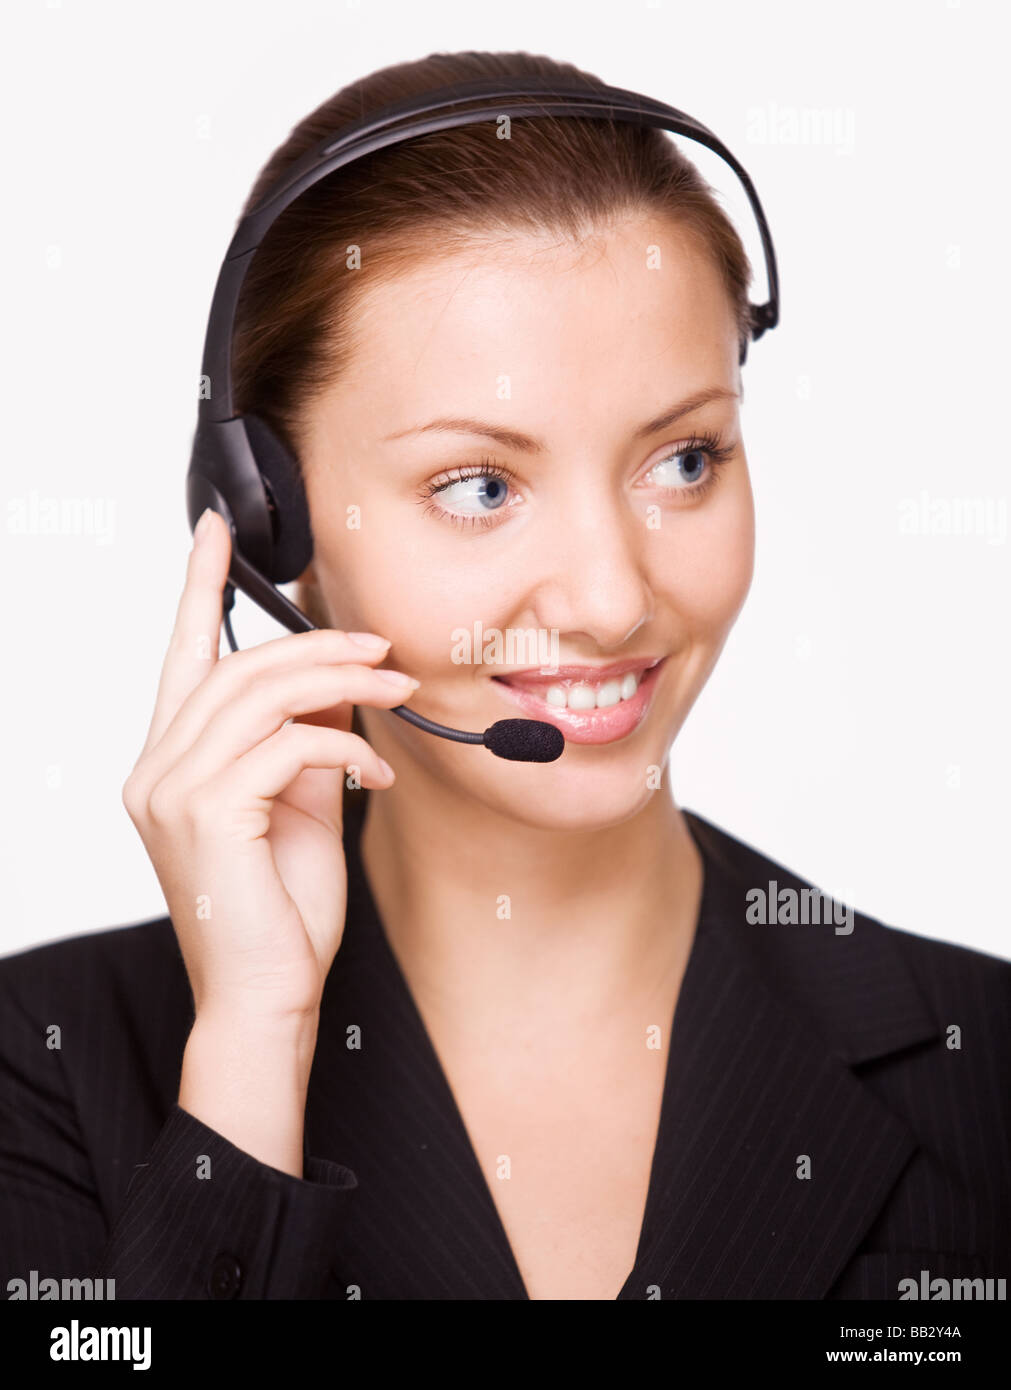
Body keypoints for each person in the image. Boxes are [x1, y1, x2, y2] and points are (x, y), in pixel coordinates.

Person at [2, 49, 1008, 1304]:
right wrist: (253, 1051)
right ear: (273, 527)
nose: (611, 598)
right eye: (480, 486)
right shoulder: (41, 1065)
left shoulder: (986, 1065)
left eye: (685, 459)